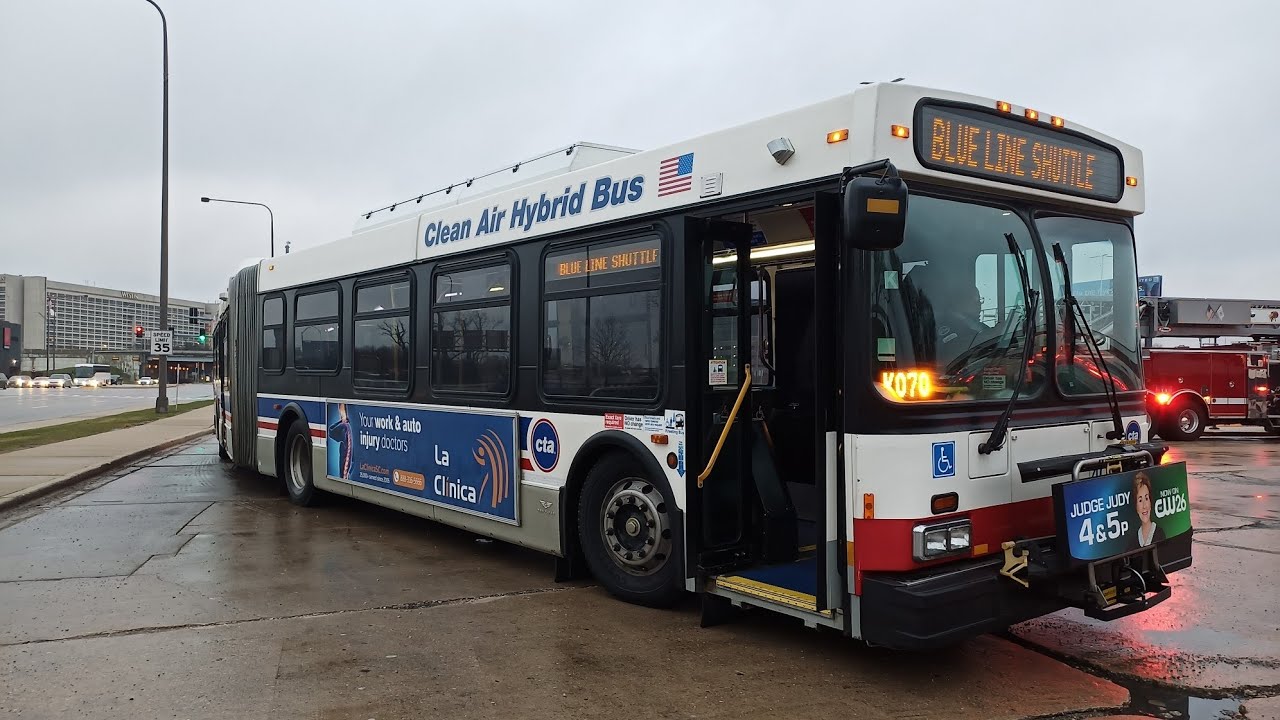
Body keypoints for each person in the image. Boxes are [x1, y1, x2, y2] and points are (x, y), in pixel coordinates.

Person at [1132, 471, 1166, 548]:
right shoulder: (1133, 541)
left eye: (1146, 498)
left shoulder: (1160, 534)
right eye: (1140, 500)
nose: (1144, 506)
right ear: (1136, 506)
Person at [328, 403, 353, 479]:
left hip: (346, 472)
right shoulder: (351, 427)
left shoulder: (344, 427)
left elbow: (331, 431)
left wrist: (342, 421)